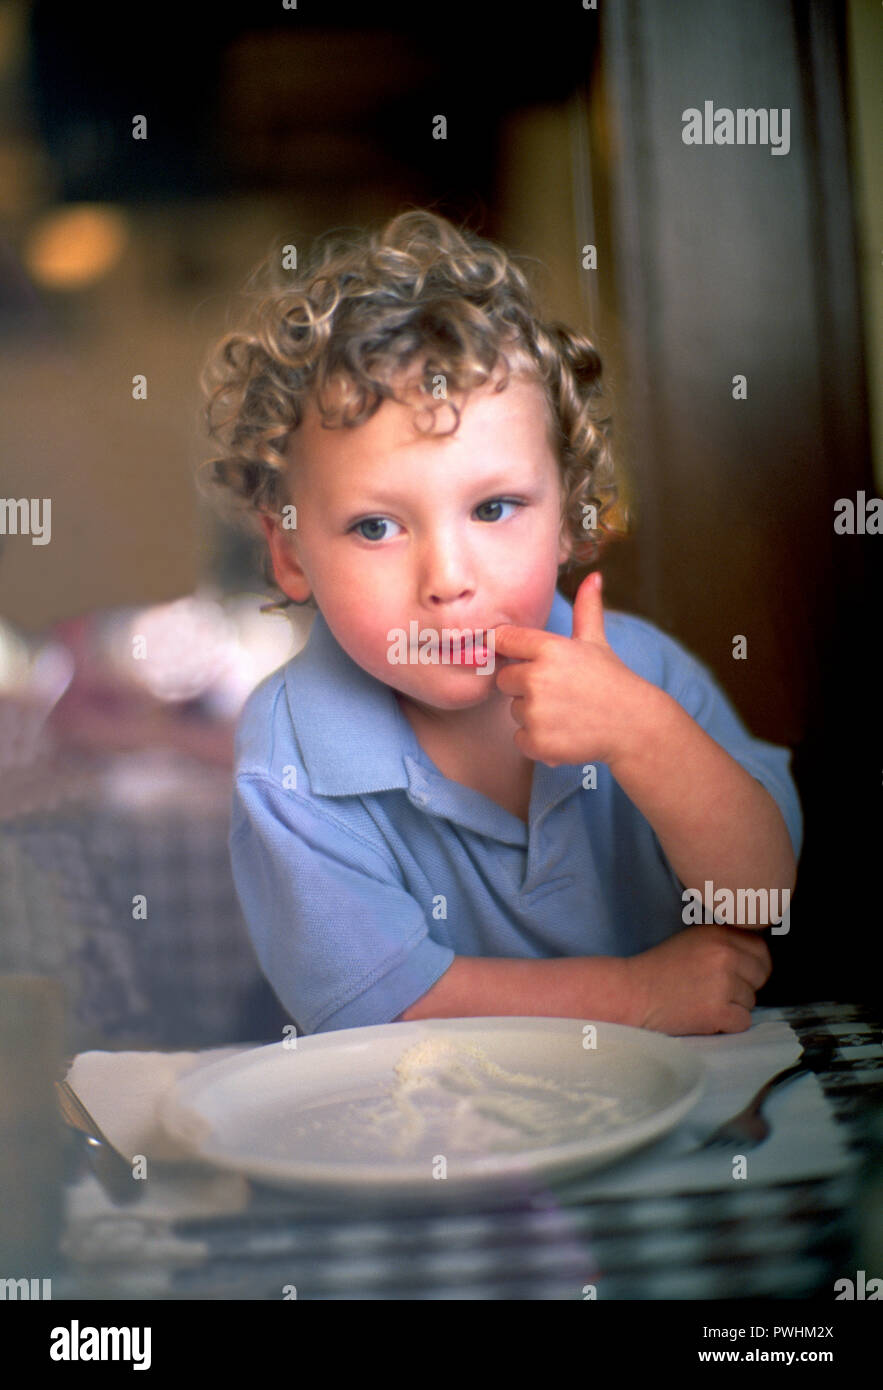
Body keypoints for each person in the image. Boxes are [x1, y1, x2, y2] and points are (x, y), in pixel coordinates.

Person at [199, 209, 800, 1038]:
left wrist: (643, 738)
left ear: (568, 516)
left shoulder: (647, 677)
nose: (447, 580)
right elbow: (375, 1005)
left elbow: (759, 896)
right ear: (291, 551)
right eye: (376, 526)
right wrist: (635, 997)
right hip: (435, 1135)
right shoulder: (292, 750)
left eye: (493, 508)